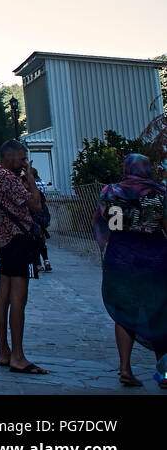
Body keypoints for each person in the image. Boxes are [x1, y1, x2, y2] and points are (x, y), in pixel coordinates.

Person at [94, 153, 167, 389]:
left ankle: (125, 368)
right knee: (158, 312)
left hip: (120, 256)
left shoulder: (110, 192)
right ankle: (164, 374)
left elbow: (103, 222)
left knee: (124, 311)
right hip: (153, 257)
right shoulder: (159, 193)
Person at [0, 139, 46, 375]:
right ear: (9, 157)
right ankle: (18, 355)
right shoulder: (7, 178)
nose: (23, 164)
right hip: (18, 240)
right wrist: (30, 178)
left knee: (4, 295)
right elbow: (35, 204)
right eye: (21, 159)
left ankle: (4, 351)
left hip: (3, 241)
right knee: (19, 299)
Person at [30, 166, 52, 276]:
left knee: (35, 241)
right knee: (42, 239)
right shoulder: (43, 184)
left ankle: (38, 264)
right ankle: (46, 260)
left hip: (35, 216)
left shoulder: (32, 187)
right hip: (43, 215)